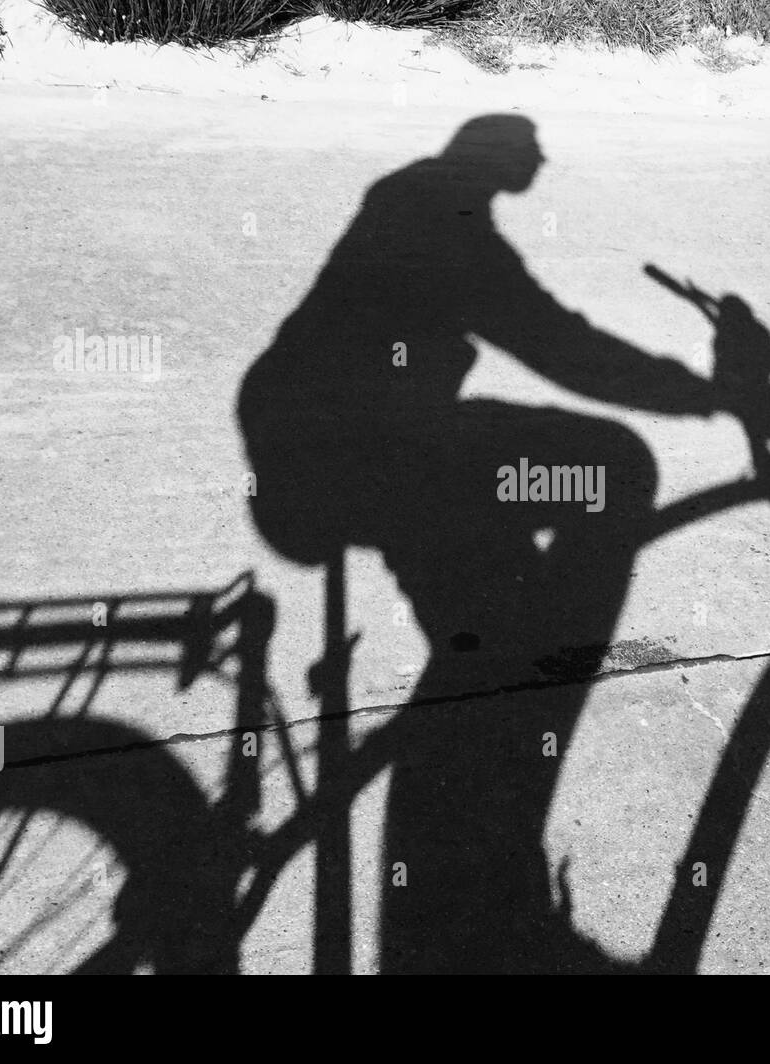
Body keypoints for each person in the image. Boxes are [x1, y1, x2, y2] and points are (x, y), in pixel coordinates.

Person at [237, 114, 739, 971]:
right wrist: (703, 396)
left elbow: (535, 325)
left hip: (335, 431)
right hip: (348, 452)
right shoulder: (439, 215)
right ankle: (533, 700)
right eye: (529, 146)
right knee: (616, 463)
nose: (543, 157)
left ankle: (506, 651)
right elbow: (552, 339)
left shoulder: (425, 196)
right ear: (496, 159)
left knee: (508, 548)